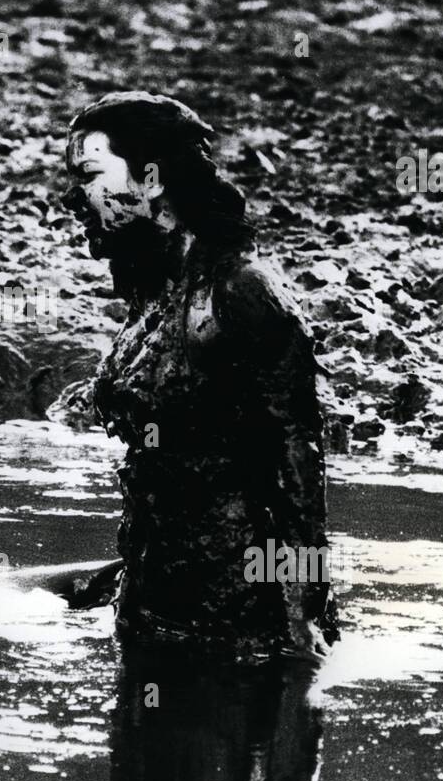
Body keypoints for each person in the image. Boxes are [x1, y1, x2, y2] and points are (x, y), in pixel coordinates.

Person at [60, 91, 338, 660]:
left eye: (88, 174)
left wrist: (304, 626)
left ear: (153, 178)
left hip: (237, 628)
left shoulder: (239, 294)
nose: (72, 198)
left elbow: (296, 460)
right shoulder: (155, 289)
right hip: (152, 607)